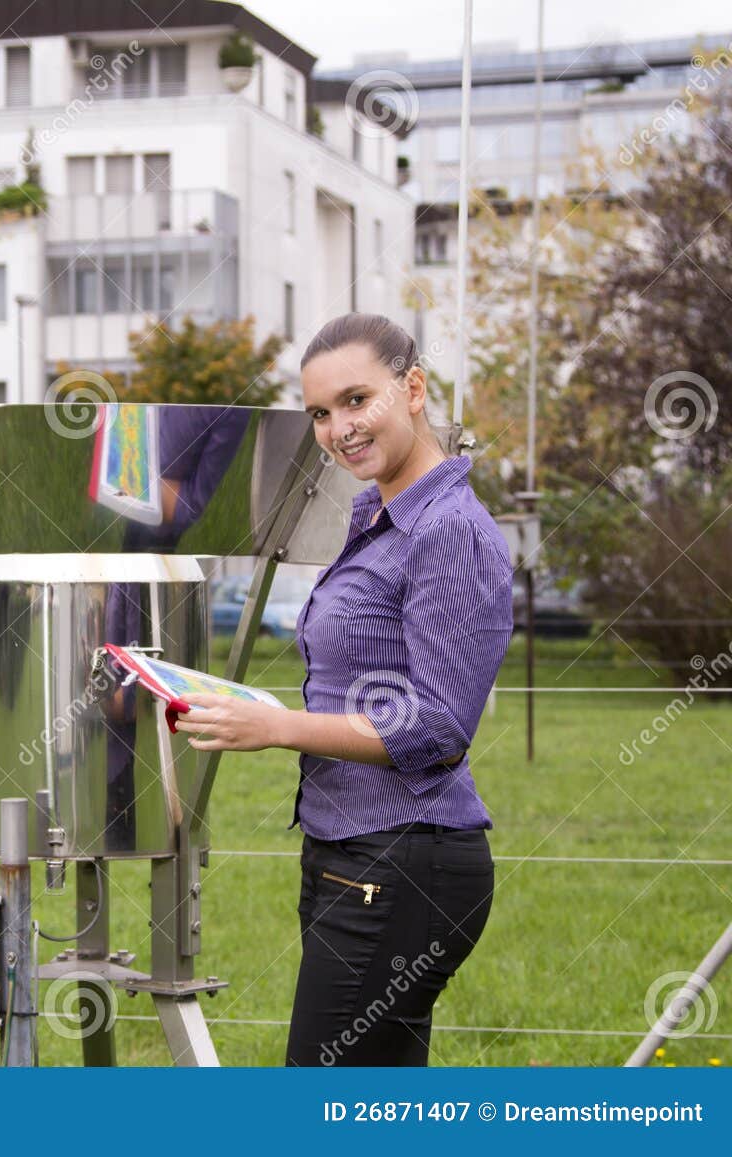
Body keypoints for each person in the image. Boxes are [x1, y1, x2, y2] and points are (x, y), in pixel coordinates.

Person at [172, 313, 513, 1066]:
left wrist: (277, 726)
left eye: (357, 400)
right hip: (348, 852)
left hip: (403, 859)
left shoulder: (447, 529)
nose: (339, 429)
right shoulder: (375, 516)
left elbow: (436, 728)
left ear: (413, 388)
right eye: (321, 413)